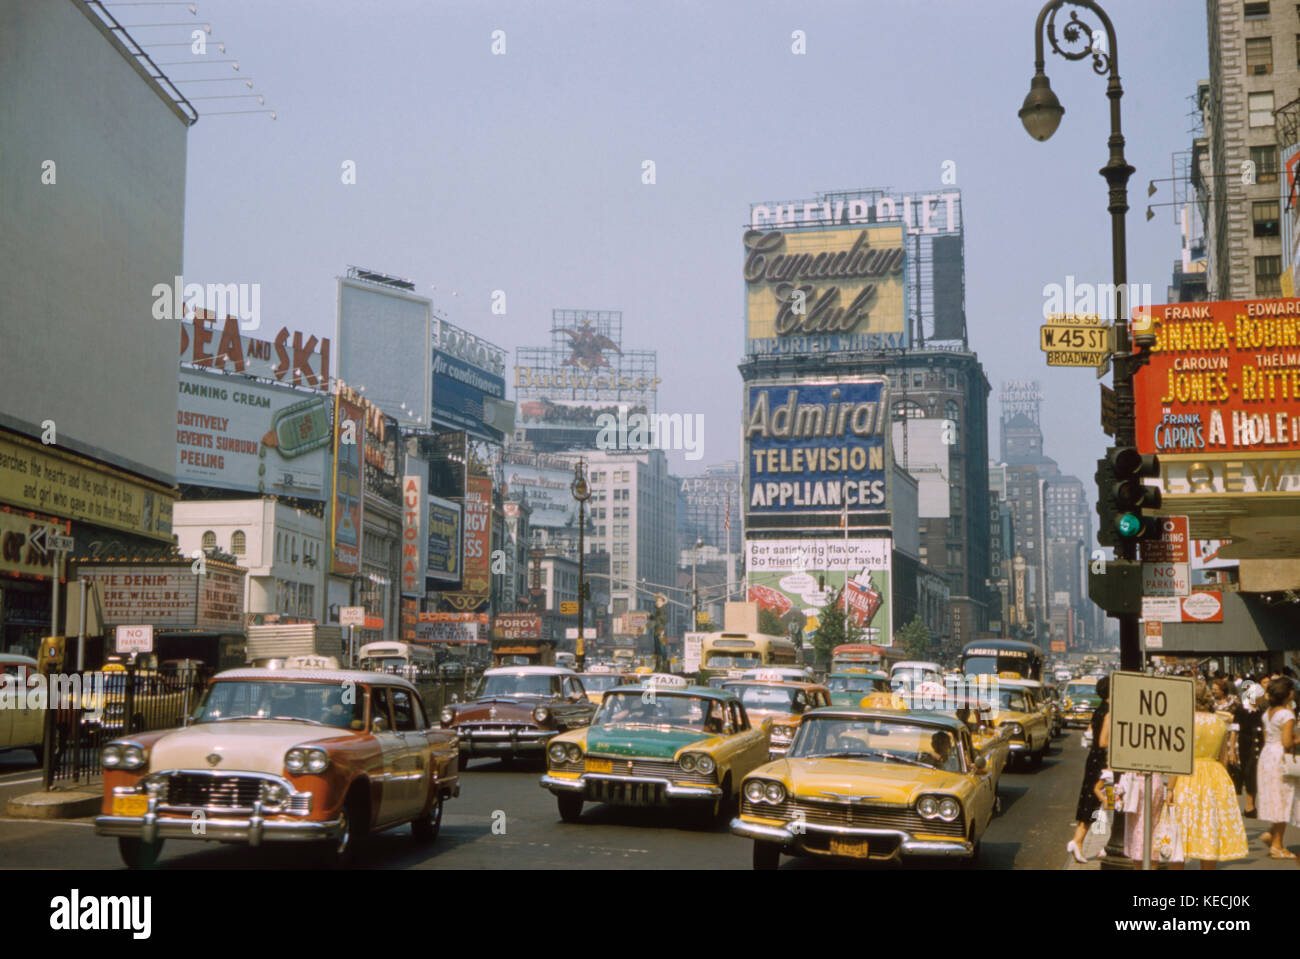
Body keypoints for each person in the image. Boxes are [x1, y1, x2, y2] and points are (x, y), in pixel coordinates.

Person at [1170, 680, 1249, 869]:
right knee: (1210, 828)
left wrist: (1170, 789)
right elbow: (1222, 758)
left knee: (1180, 832)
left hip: (1187, 775)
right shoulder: (1219, 723)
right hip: (1215, 776)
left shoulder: (1183, 721)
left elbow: (1177, 758)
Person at [1068, 675, 1110, 863]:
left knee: (1091, 801)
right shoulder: (1109, 712)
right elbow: (1103, 741)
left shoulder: (1099, 710)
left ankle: (1079, 841)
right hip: (1103, 760)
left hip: (1094, 758)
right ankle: (1079, 841)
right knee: (1102, 801)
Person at [1256, 678, 1299, 859]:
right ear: (1288, 694)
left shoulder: (1268, 713)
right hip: (1280, 757)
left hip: (1267, 755)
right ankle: (1277, 845)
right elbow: (1287, 741)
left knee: (1275, 797)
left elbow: (1268, 737)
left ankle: (1273, 833)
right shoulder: (1287, 715)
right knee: (1284, 798)